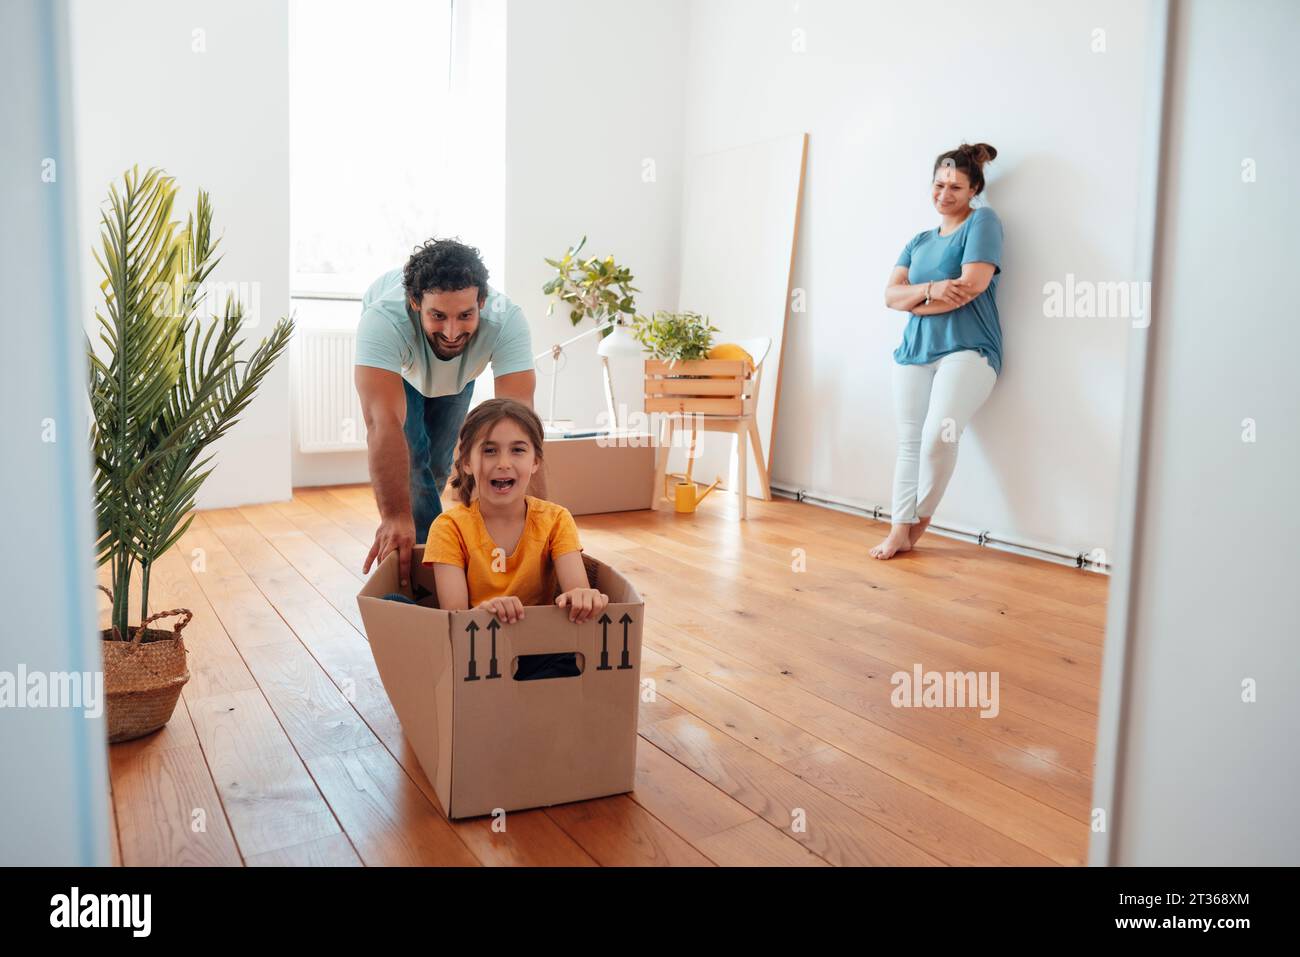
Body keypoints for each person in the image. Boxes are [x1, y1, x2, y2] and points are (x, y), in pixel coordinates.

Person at [355, 239, 545, 588]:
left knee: (440, 465)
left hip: (459, 376)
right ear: (415, 304)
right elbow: (382, 423)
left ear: (482, 304)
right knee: (414, 462)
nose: (453, 331)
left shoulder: (507, 321)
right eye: (438, 315)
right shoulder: (382, 320)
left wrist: (541, 523)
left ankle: (429, 542)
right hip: (403, 366)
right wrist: (395, 516)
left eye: (465, 315)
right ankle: (427, 572)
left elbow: (523, 428)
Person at [871, 143, 1004, 560]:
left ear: (974, 190)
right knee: (910, 442)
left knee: (937, 436)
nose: (945, 193)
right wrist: (929, 289)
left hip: (968, 346)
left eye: (956, 187)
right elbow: (890, 297)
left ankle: (917, 524)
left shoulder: (982, 221)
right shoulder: (919, 240)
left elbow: (971, 287)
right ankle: (897, 531)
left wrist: (915, 299)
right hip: (915, 350)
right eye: (939, 184)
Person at [422, 398, 607, 678]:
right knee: (392, 602)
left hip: (534, 647)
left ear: (535, 463)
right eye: (489, 451)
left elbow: (575, 592)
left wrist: (582, 596)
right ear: (466, 463)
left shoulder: (555, 519)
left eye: (517, 450)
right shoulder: (448, 527)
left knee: (566, 661)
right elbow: (455, 614)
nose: (503, 463)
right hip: (475, 649)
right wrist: (485, 610)